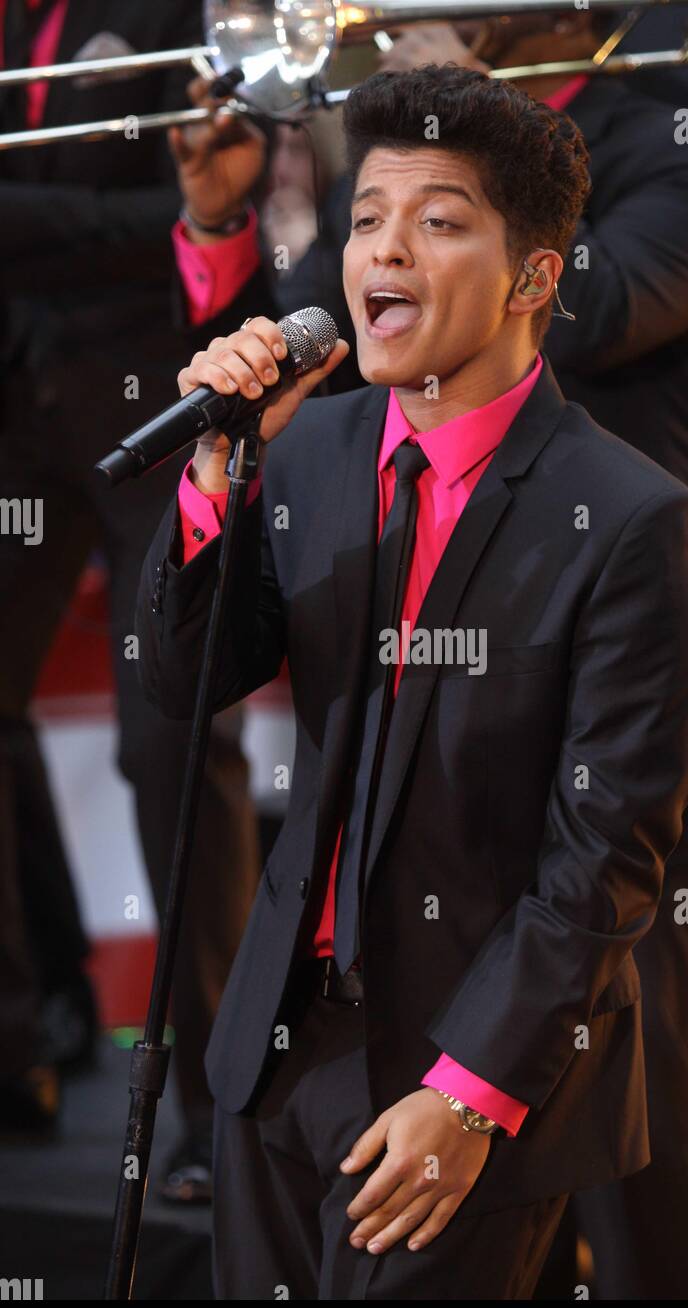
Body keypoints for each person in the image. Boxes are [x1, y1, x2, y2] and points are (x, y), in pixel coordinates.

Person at [166, 11, 688, 1294]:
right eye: (362, 219)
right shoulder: (331, 450)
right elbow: (187, 669)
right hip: (302, 1032)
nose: (384, 245)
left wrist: (471, 1090)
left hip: (623, 706)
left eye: (435, 218)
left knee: (637, 1127)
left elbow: (598, 303)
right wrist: (219, 463)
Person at [0, 0, 260, 1201]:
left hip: (155, 386)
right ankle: (25, 1040)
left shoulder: (178, 13)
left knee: (171, 740)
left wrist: (31, 224)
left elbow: (203, 213)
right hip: (19, 386)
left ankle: (222, 1106)